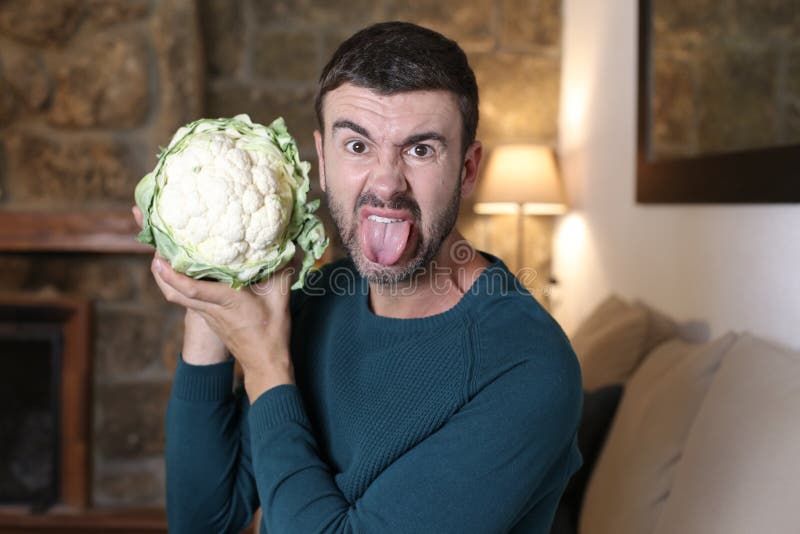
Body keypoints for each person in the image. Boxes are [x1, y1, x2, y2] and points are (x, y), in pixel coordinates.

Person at [144, 21, 582, 534]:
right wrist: (205, 289)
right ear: (322, 161)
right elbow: (203, 521)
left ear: (467, 169)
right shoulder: (317, 301)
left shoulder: (528, 368)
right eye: (357, 146)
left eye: (420, 150)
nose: (386, 183)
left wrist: (265, 362)